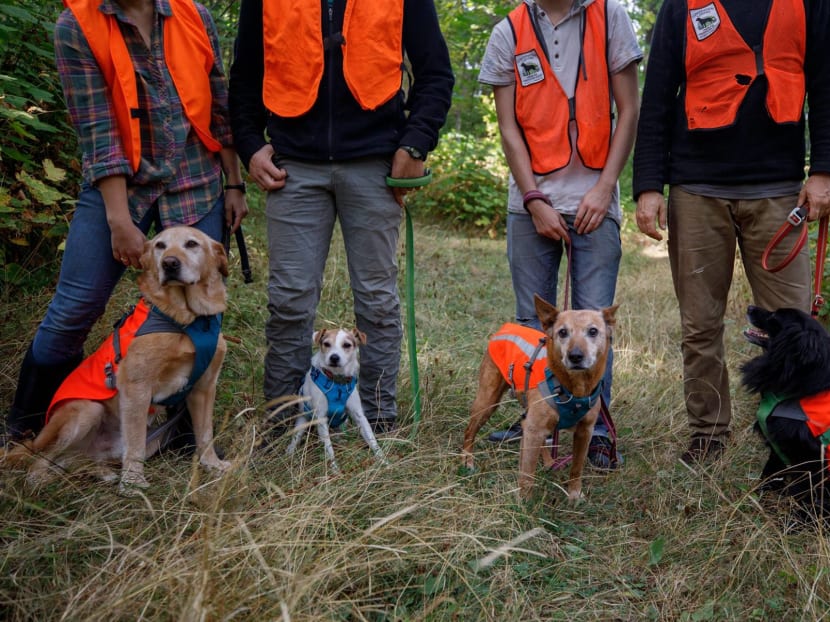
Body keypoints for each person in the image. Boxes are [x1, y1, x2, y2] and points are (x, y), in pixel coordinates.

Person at [5, 0, 248, 444]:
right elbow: (96, 129)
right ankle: (27, 426)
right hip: (118, 188)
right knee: (75, 306)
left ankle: (181, 434)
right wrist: (118, 219)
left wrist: (234, 183)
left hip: (195, 180)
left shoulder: (193, 14)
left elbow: (219, 104)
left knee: (198, 310)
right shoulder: (76, 26)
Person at [228, 0, 454, 436]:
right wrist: (251, 144)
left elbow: (436, 72)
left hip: (375, 164)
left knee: (377, 301)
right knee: (290, 301)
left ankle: (377, 416)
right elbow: (245, 76)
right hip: (292, 164)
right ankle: (285, 420)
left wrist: (415, 143)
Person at [632, 0, 830, 463]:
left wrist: (822, 170)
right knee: (700, 325)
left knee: (796, 326)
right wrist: (647, 186)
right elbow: (657, 94)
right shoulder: (681, 6)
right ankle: (708, 435)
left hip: (780, 191)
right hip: (696, 188)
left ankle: (796, 439)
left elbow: (824, 87)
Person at [477, 0, 642, 469]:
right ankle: (537, 419)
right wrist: (532, 198)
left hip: (595, 200)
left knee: (594, 327)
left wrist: (605, 188)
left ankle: (598, 428)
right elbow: (507, 125)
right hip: (531, 204)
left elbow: (629, 109)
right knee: (534, 325)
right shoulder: (509, 30)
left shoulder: (610, 17)